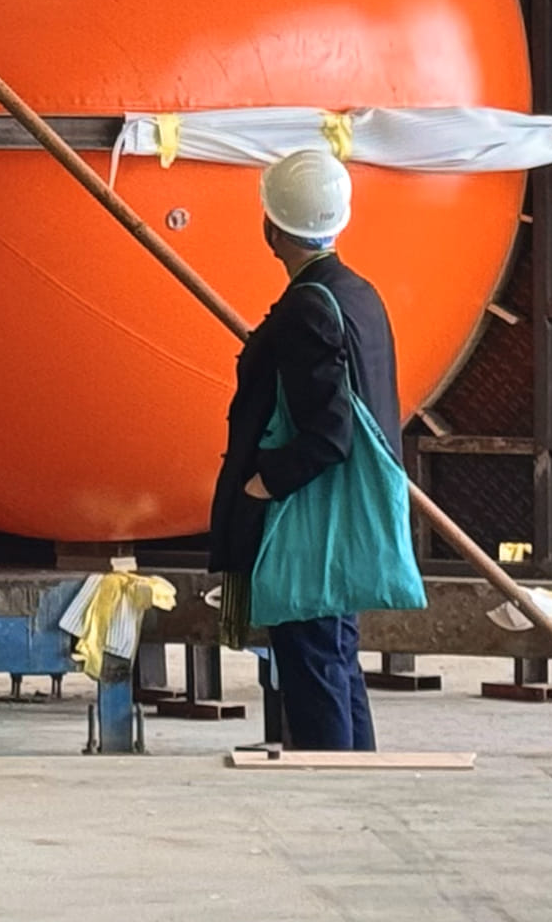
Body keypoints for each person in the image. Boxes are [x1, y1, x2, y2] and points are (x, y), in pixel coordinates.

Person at [208, 145, 406, 753]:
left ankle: (334, 802)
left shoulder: (307, 308)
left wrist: (260, 484)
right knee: (335, 659)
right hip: (344, 518)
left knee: (313, 663)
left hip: (307, 520)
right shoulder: (359, 293)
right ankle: (360, 786)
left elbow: (329, 431)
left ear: (271, 228)